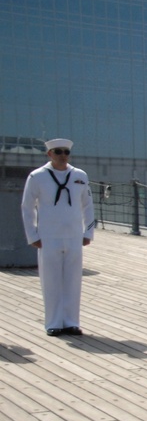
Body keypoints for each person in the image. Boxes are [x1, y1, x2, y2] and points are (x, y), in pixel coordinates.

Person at [21, 138, 95, 337]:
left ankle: (71, 322)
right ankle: (53, 322)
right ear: (49, 154)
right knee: (51, 280)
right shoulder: (37, 177)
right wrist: (33, 235)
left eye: (66, 152)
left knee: (73, 280)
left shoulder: (79, 175)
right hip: (48, 236)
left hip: (73, 236)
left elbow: (87, 205)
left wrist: (88, 232)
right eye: (58, 152)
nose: (63, 156)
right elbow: (27, 207)